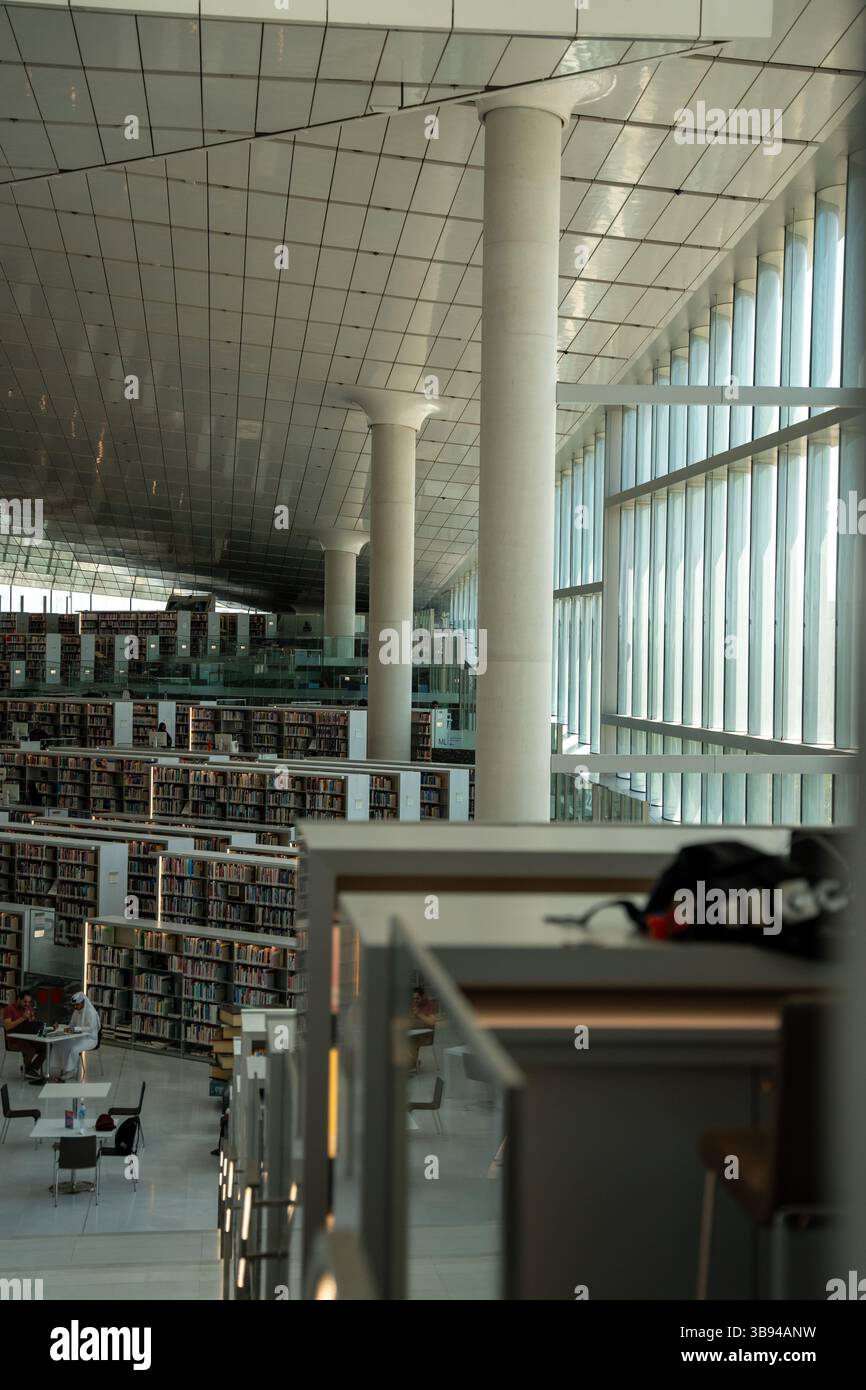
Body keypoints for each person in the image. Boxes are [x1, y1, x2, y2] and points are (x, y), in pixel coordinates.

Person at [49, 991, 100, 1082]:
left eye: (77, 1005)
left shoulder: (91, 1013)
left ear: (83, 1002)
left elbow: (89, 1029)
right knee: (60, 1043)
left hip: (90, 1039)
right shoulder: (76, 1011)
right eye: (74, 1005)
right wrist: (60, 1026)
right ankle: (62, 1067)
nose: (75, 1007)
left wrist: (75, 1029)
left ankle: (71, 1071)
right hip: (78, 1036)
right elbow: (71, 1025)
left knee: (74, 1049)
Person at [2, 988, 44, 1080]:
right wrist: (23, 1018)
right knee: (30, 1049)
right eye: (25, 1002)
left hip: (28, 1038)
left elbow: (31, 1023)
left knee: (47, 1047)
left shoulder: (28, 1008)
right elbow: (7, 1026)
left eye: (29, 1002)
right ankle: (28, 1070)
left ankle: (31, 1068)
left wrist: (32, 1020)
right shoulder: (9, 1009)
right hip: (13, 1041)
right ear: (19, 999)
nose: (27, 1004)